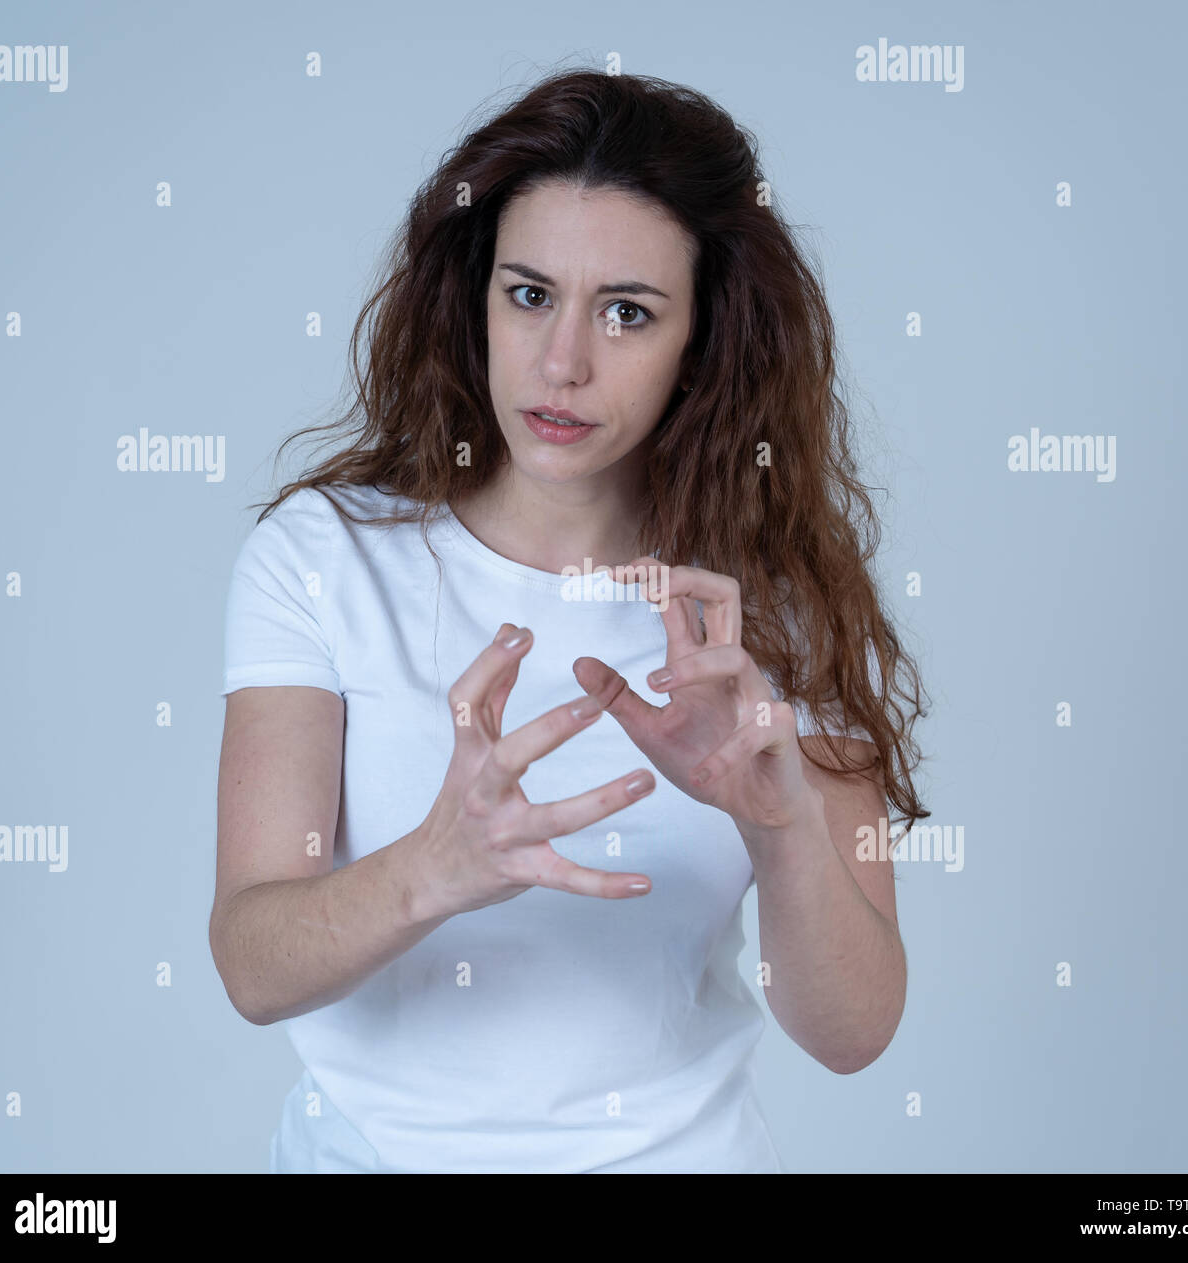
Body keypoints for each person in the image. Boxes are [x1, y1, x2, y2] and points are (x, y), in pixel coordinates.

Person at [210, 66, 929, 1174]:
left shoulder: (766, 610)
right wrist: (435, 866)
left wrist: (782, 830)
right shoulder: (324, 559)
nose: (562, 363)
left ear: (705, 340)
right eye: (529, 294)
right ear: (474, 297)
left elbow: (853, 1033)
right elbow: (253, 963)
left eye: (628, 313)